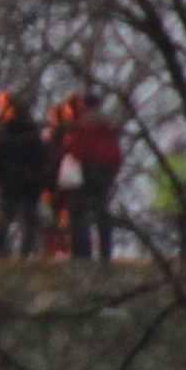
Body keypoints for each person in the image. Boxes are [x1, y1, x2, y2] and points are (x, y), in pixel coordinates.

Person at [0, 89, 54, 262]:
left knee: (4, 219)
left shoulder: (2, 132)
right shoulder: (33, 133)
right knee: (28, 221)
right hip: (30, 182)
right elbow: (42, 158)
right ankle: (25, 254)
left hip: (9, 181)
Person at [56, 93, 124, 263]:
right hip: (106, 172)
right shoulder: (109, 127)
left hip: (86, 171)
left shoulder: (82, 126)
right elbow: (116, 154)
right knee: (102, 211)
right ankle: (105, 253)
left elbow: (75, 150)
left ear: (84, 106)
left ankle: (83, 254)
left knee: (78, 212)